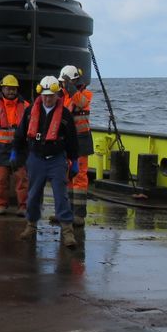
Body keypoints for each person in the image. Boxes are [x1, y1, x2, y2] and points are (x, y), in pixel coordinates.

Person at [12, 75, 80, 248]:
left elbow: (72, 140)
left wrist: (74, 160)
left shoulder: (65, 115)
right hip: (36, 158)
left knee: (61, 196)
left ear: (57, 95)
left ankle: (67, 232)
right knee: (33, 194)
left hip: (56, 160)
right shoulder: (30, 112)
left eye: (51, 96)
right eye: (45, 96)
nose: (48, 99)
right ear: (40, 95)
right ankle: (31, 226)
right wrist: (15, 152)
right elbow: (20, 134)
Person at [0, 74, 29, 215]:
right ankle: (1, 205)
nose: (11, 91)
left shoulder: (26, 106)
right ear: (2, 89)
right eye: (8, 88)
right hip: (1, 149)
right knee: (2, 179)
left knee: (22, 179)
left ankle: (23, 207)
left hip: (20, 149)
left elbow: (30, 129)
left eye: (13, 89)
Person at [60, 65, 94, 226]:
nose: (62, 85)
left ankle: (79, 215)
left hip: (81, 140)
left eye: (64, 82)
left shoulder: (84, 94)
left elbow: (81, 102)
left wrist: (71, 88)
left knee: (79, 177)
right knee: (67, 176)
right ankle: (66, 213)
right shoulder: (63, 97)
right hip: (67, 141)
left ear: (72, 81)